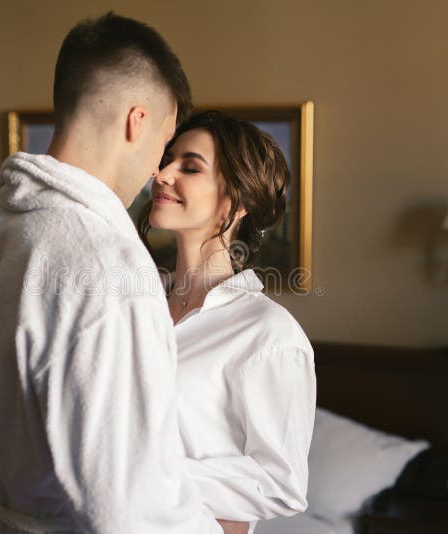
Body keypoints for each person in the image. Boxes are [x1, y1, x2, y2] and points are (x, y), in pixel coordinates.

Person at [0, 13, 225, 533]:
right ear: (137, 121)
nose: (155, 171)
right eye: (164, 145)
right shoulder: (110, 265)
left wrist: (10, 493)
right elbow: (129, 507)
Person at [139, 111, 317, 533]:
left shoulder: (268, 334)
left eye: (190, 166)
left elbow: (280, 485)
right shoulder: (135, 307)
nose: (161, 174)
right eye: (167, 160)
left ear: (235, 202)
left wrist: (145, 475)